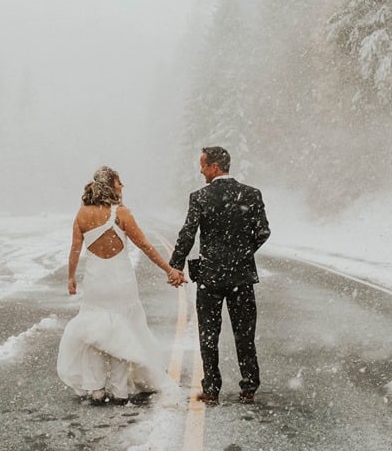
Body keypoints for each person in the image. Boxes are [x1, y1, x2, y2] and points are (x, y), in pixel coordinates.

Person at [57, 166, 186, 405]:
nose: (122, 185)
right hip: (121, 282)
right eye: (119, 182)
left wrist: (71, 277)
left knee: (95, 333)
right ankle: (119, 390)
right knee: (122, 329)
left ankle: (96, 388)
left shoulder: (82, 214)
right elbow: (145, 246)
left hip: (96, 281)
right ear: (110, 185)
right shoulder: (122, 213)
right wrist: (169, 270)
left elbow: (75, 249)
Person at [169, 146, 271, 405]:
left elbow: (188, 234)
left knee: (208, 335)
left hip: (210, 276)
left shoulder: (200, 197)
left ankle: (212, 389)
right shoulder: (251, 194)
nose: (201, 170)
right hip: (242, 277)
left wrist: (176, 265)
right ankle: (249, 387)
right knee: (245, 334)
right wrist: (242, 253)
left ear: (215, 167)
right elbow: (263, 232)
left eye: (203, 165)